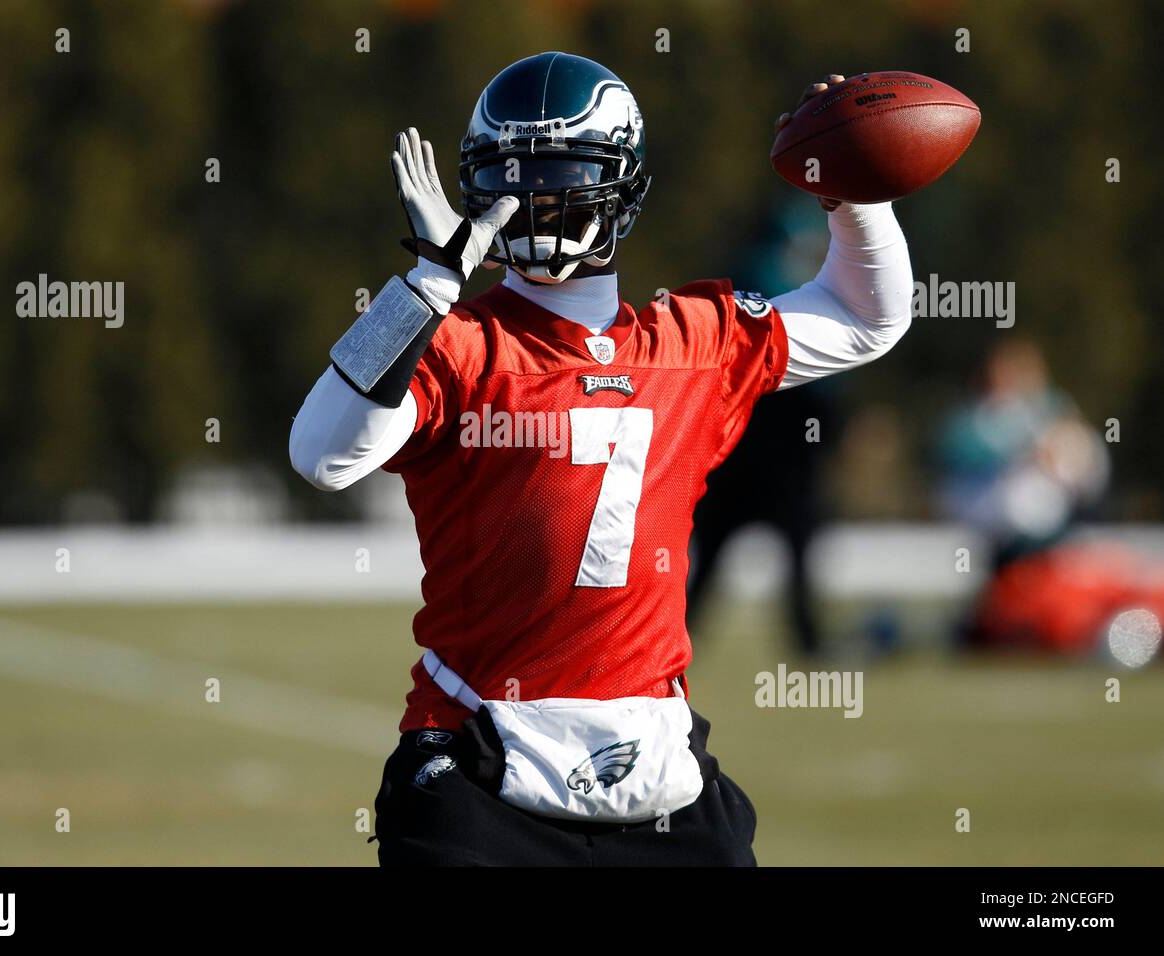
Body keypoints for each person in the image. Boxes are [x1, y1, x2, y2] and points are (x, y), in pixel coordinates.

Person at [289, 53, 913, 865]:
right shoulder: (458, 344)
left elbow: (868, 318)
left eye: (561, 175)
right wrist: (425, 287)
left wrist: (855, 194)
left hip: (659, 767)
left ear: (622, 184)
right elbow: (321, 455)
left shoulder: (693, 340)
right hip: (479, 760)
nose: (534, 200)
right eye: (510, 177)